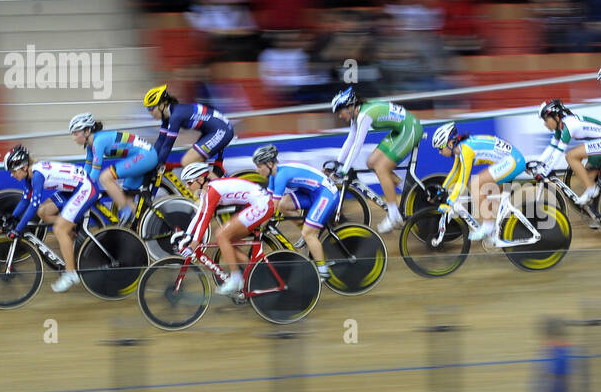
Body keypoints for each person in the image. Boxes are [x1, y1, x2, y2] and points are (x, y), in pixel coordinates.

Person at [329, 86, 423, 234]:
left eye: (340, 111)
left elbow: (357, 145)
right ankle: (411, 190)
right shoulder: (357, 114)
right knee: (371, 162)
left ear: (349, 106)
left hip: (410, 128)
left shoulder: (364, 115)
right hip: (401, 130)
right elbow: (350, 139)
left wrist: (344, 169)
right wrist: (338, 162)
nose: (340, 116)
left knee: (382, 169)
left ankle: (393, 215)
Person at [5, 145, 98, 293]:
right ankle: (71, 231)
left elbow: (32, 206)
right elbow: (25, 200)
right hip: (73, 189)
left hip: (85, 188)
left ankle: (71, 274)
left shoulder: (37, 176)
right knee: (43, 211)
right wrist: (12, 218)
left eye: (12, 171)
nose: (11, 175)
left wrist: (18, 229)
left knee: (59, 229)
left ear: (23, 167)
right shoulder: (30, 175)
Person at [173, 162, 274, 297]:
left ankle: (236, 278)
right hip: (258, 204)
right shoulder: (206, 192)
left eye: (189, 182)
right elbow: (199, 216)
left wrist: (194, 242)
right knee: (226, 240)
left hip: (262, 205)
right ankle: (254, 271)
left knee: (221, 235)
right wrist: (188, 235)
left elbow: (206, 219)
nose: (187, 186)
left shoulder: (212, 191)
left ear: (201, 179)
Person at [252, 144, 337, 281]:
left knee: (308, 234)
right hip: (312, 193)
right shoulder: (274, 176)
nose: (257, 170)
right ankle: (307, 233)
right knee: (284, 205)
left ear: (269, 163)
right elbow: (268, 201)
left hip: (325, 193)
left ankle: (323, 271)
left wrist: (260, 225)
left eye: (259, 166)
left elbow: (272, 208)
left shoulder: (280, 176)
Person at [431, 122, 526, 244]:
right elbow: (455, 173)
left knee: (475, 184)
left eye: (440, 148)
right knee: (484, 194)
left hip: (513, 161)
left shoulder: (466, 150)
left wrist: (450, 200)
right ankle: (495, 229)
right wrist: (441, 189)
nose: (439, 152)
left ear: (449, 143)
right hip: (510, 160)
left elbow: (462, 180)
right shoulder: (460, 149)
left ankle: (488, 226)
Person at [532, 99, 601, 210]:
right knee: (586, 176)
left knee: (571, 156)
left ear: (556, 116)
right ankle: (596, 208)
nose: (545, 124)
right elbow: (552, 147)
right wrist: (538, 164)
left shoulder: (569, 126)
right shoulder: (561, 126)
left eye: (546, 120)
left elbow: (558, 152)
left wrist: (544, 171)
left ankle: (592, 189)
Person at [71, 113, 158, 225]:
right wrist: (79, 181)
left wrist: (84, 187)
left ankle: (125, 210)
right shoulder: (90, 145)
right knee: (126, 195)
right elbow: (87, 168)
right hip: (142, 155)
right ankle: (142, 225)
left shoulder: (98, 141)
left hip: (146, 156)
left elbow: (95, 171)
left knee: (105, 177)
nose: (73, 138)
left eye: (75, 133)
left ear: (87, 131)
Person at [144, 83, 236, 168]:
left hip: (221, 130)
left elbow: (167, 145)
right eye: (148, 109)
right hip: (212, 130)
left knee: (187, 162)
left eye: (151, 109)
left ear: (161, 106)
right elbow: (160, 140)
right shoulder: (167, 117)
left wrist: (157, 165)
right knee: (194, 166)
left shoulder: (176, 116)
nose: (150, 113)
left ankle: (210, 185)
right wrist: (152, 161)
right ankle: (209, 180)